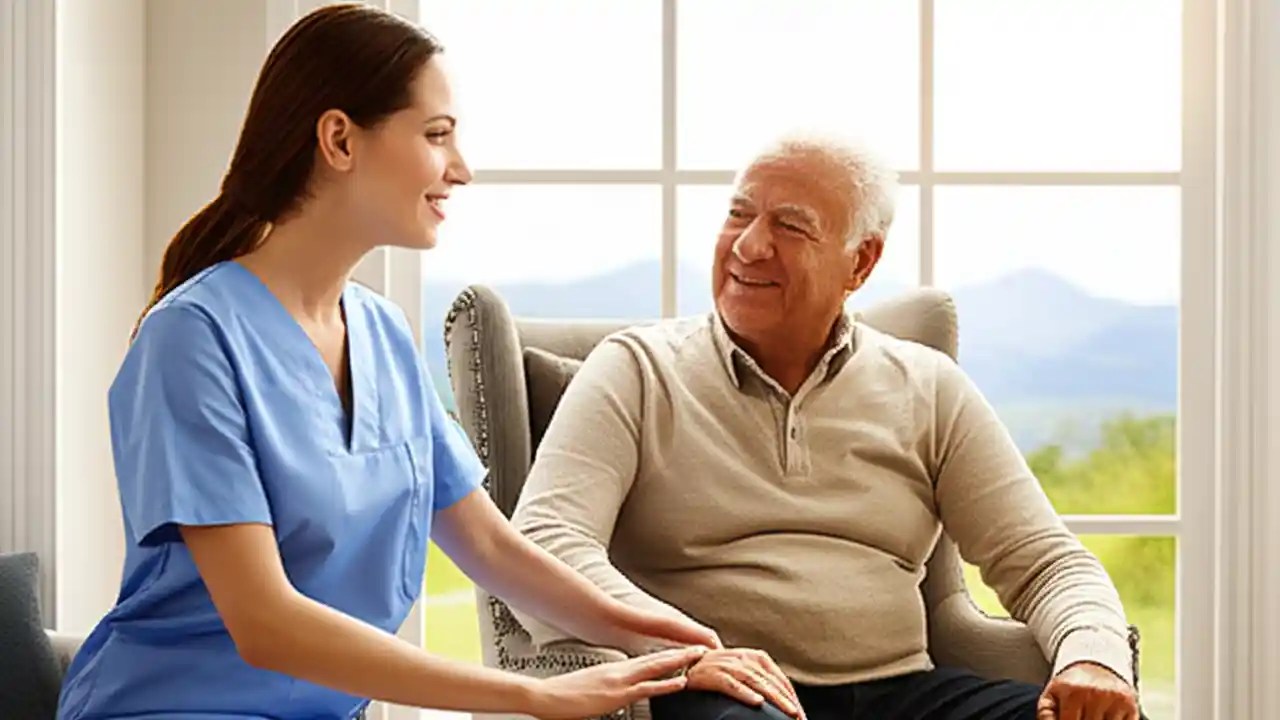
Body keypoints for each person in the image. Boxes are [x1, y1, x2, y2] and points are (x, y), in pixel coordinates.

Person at [55, 5, 718, 719]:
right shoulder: (190, 340)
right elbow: (265, 622)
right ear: (339, 139)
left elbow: (492, 548)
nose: (460, 170)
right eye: (437, 136)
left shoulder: (381, 332)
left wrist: (677, 644)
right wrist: (536, 695)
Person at [509, 134, 1147, 720]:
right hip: (722, 693)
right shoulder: (635, 370)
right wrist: (685, 649)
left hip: (903, 694)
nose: (749, 244)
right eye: (738, 213)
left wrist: (1092, 656)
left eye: (790, 226)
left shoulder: (928, 387)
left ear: (860, 263)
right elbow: (547, 537)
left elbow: (1044, 561)